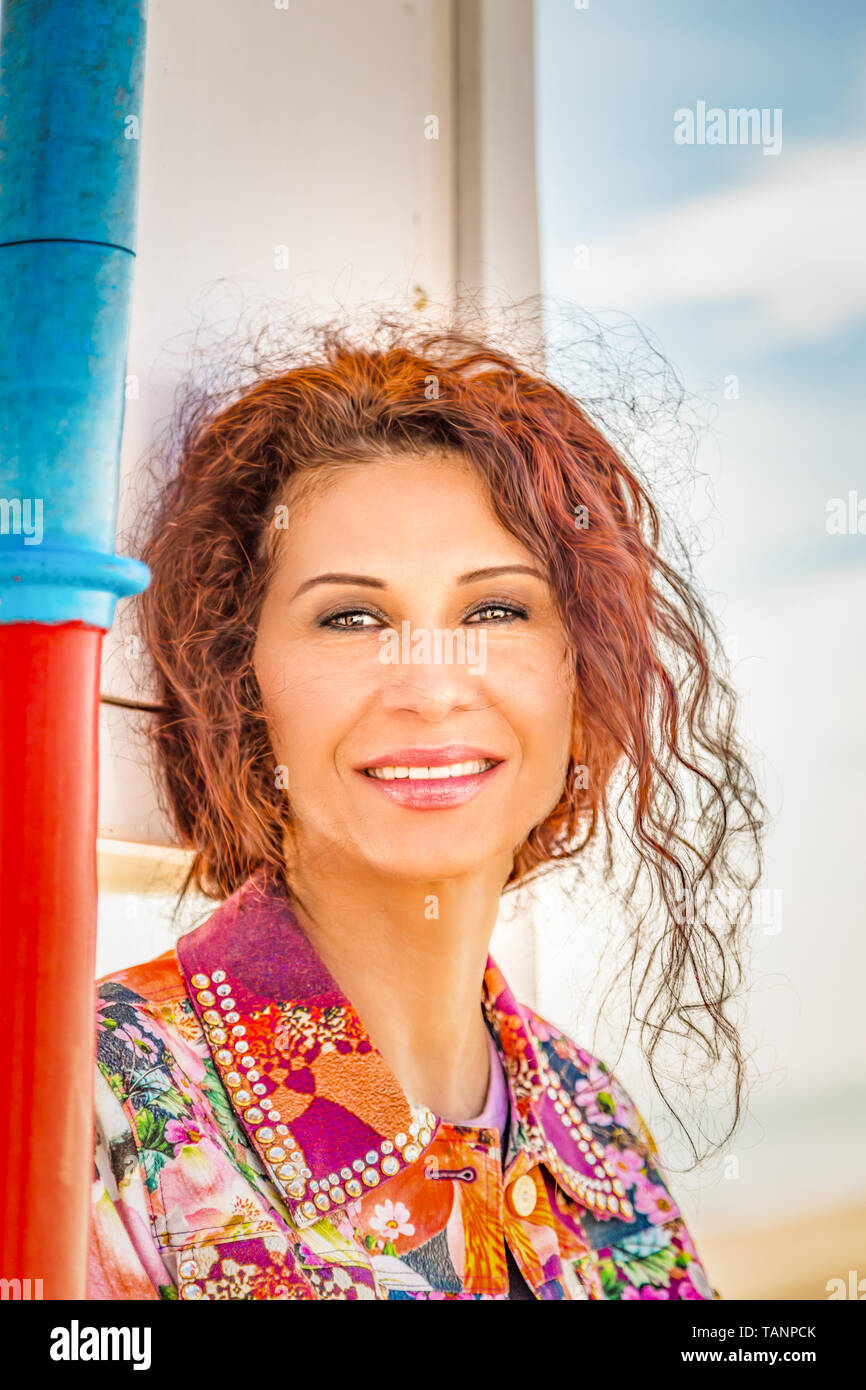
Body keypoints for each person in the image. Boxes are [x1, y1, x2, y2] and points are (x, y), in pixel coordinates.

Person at [88, 319, 764, 1300]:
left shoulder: (595, 1126)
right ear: (245, 688)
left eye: (494, 611)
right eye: (350, 618)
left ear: (580, 679)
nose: (432, 690)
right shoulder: (98, 1097)